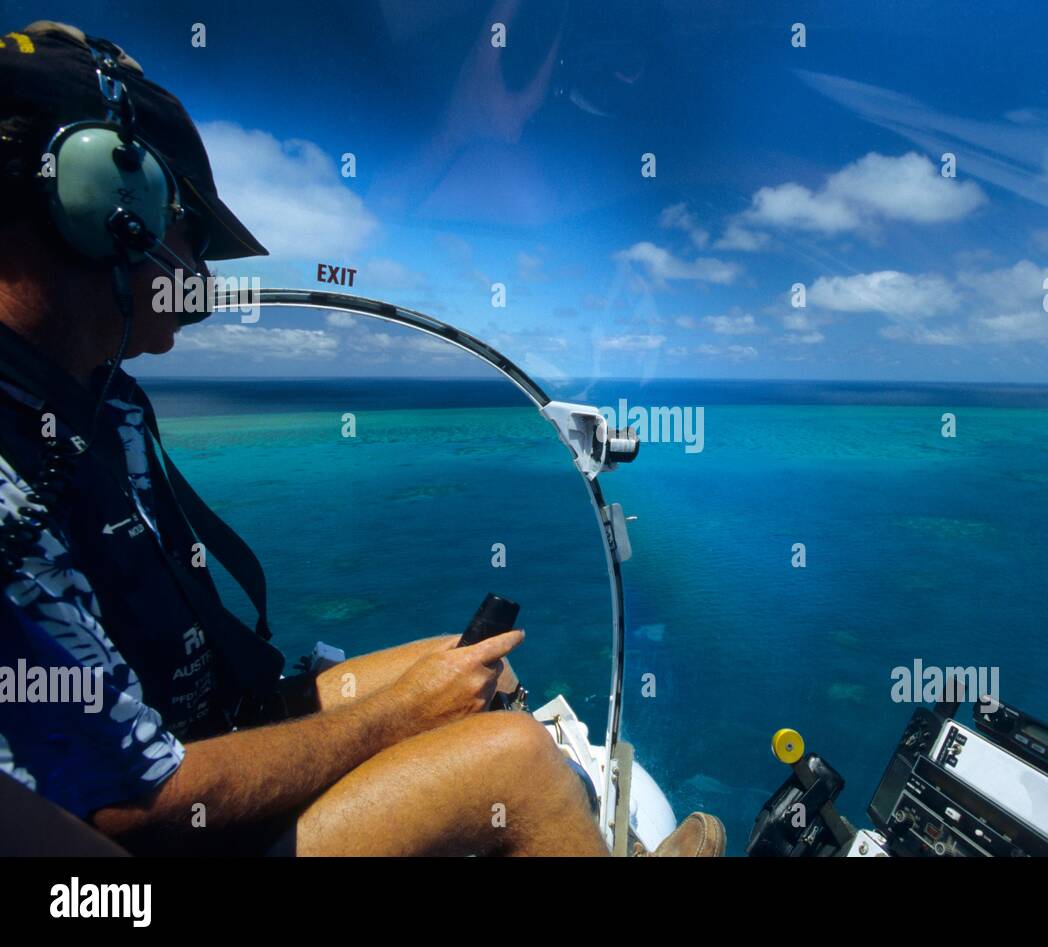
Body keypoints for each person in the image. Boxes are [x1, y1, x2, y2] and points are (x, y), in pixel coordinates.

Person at [0, 20, 725, 858]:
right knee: (519, 760)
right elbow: (132, 803)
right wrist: (404, 712)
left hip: (206, 725)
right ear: (102, 202)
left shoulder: (95, 402)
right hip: (162, 832)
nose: (201, 273)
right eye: (189, 229)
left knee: (481, 662)